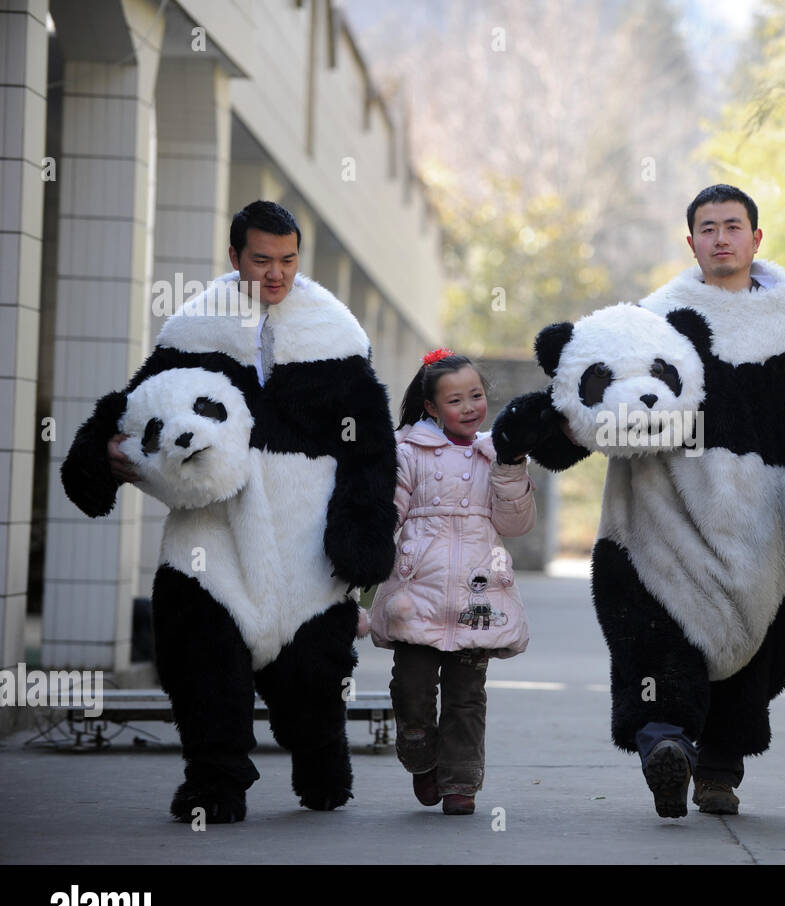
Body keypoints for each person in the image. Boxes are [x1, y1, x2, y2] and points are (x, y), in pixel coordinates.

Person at [494, 184, 785, 817]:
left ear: (757, 238)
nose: (722, 238)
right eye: (708, 228)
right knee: (655, 636)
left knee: (760, 653)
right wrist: (546, 431)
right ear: (691, 242)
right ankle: (664, 743)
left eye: (733, 226)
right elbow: (590, 406)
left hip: (769, 529)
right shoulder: (649, 320)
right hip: (663, 521)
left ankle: (716, 770)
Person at [61, 200, 397, 821]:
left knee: (311, 685)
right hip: (208, 540)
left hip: (306, 542)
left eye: (289, 260)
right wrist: (96, 457)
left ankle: (321, 756)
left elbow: (371, 448)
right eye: (262, 260)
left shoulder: (336, 332)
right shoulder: (194, 329)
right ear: (234, 256)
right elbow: (140, 404)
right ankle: (214, 781)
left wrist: (363, 536)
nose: (277, 274)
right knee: (201, 663)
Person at [368, 349, 535, 815]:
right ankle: (422, 756)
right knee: (412, 688)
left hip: (476, 599)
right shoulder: (409, 452)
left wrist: (511, 468)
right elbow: (388, 514)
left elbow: (516, 524)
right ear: (431, 408)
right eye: (456, 400)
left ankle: (460, 781)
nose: (469, 407)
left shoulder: (497, 454)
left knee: (467, 698)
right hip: (417, 597)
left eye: (476, 396)